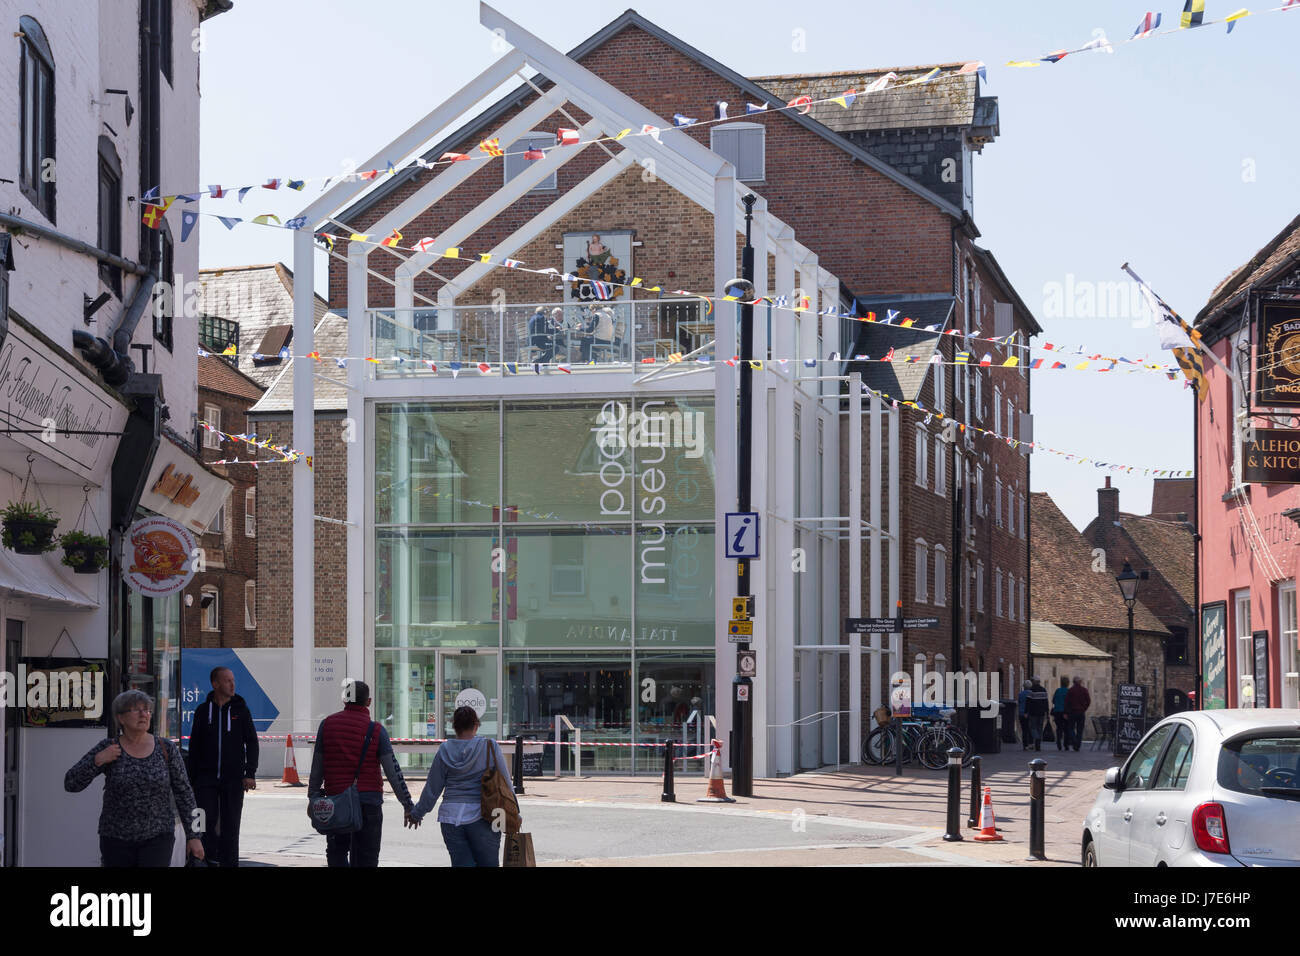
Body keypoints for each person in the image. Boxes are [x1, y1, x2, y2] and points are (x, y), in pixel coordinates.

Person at [65, 689, 204, 867]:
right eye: (136, 709)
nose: (143, 714)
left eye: (147, 710)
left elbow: (185, 794)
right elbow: (71, 783)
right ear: (121, 718)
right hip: (116, 839)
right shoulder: (110, 747)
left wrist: (194, 837)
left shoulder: (165, 748)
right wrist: (98, 760)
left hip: (158, 838)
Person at [308, 679, 415, 867]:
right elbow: (392, 771)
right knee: (367, 857)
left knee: (336, 853)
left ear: (344, 700)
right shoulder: (377, 730)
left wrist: (313, 798)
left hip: (336, 802)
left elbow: (317, 767)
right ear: (369, 702)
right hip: (369, 803)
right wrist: (407, 804)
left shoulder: (327, 725)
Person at [408, 705, 514, 867]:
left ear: (454, 727)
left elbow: (432, 788)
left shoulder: (444, 749)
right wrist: (514, 813)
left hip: (450, 816)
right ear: (476, 725)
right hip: (485, 815)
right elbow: (506, 783)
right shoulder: (490, 747)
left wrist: (417, 813)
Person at [185, 666, 258, 867]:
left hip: (233, 779)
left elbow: (251, 742)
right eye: (227, 681)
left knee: (231, 826)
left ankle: (229, 863)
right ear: (215, 684)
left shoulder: (241, 711)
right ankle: (205, 862)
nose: (232, 684)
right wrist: (192, 780)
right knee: (204, 823)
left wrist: (249, 772)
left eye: (233, 680)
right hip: (205, 780)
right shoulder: (202, 711)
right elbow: (194, 746)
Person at [1065, 676, 1092, 752]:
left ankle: (1074, 741)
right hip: (1081, 712)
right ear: (1080, 682)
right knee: (1080, 730)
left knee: (1071, 728)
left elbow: (1067, 702)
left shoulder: (1071, 690)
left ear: (1073, 682)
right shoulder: (1084, 690)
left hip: (1072, 712)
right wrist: (1084, 708)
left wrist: (1066, 712)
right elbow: (1088, 701)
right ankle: (1077, 745)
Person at [1025, 677, 1050, 751]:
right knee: (1040, 728)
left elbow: (1028, 702)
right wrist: (1047, 712)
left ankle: (1037, 738)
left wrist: (1026, 712)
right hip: (1041, 712)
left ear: (1033, 682)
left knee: (1033, 727)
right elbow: (1046, 702)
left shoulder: (1031, 690)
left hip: (1033, 712)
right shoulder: (1043, 690)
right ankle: (1038, 743)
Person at [1051, 676, 1070, 752]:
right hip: (1065, 712)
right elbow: (1069, 703)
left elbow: (1053, 701)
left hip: (1057, 712)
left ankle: (1059, 742)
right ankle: (1066, 745)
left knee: (1059, 728)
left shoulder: (1057, 691)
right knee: (1066, 729)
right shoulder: (1068, 691)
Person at [1017, 680, 1032, 750]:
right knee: (1030, 729)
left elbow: (1019, 702)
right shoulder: (1032, 694)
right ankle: (1030, 743)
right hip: (1029, 713)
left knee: (1024, 730)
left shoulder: (1020, 694)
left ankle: (1025, 745)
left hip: (1021, 713)